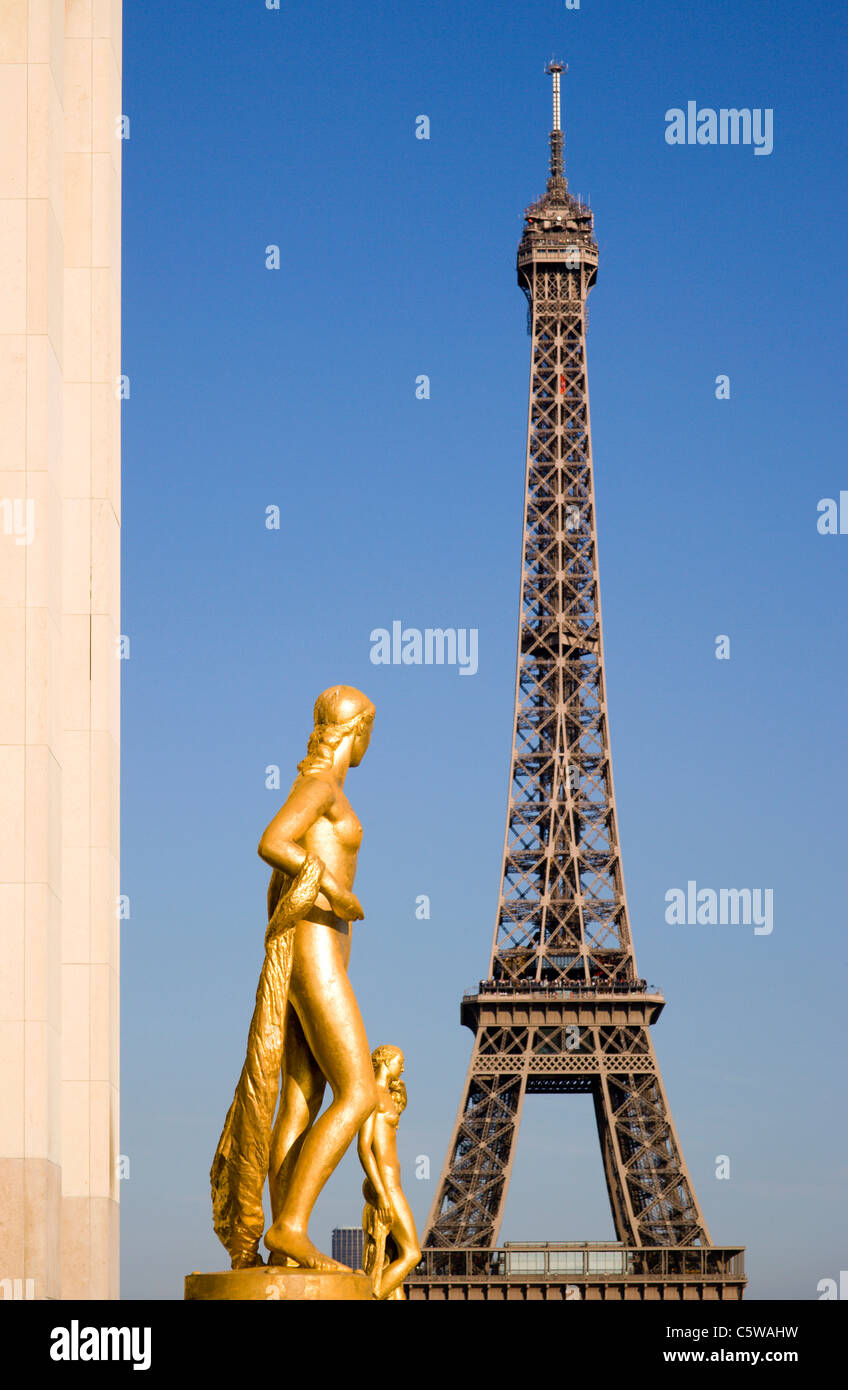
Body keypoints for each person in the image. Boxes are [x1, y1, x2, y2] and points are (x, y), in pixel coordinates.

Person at [358, 1045, 421, 1300]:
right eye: (400, 1062)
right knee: (412, 1254)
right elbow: (364, 1148)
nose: (403, 1068)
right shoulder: (372, 1095)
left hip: (393, 1183)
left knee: (392, 1257)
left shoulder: (385, 1094)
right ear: (386, 1061)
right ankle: (366, 1297)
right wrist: (382, 1193)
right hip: (387, 1185)